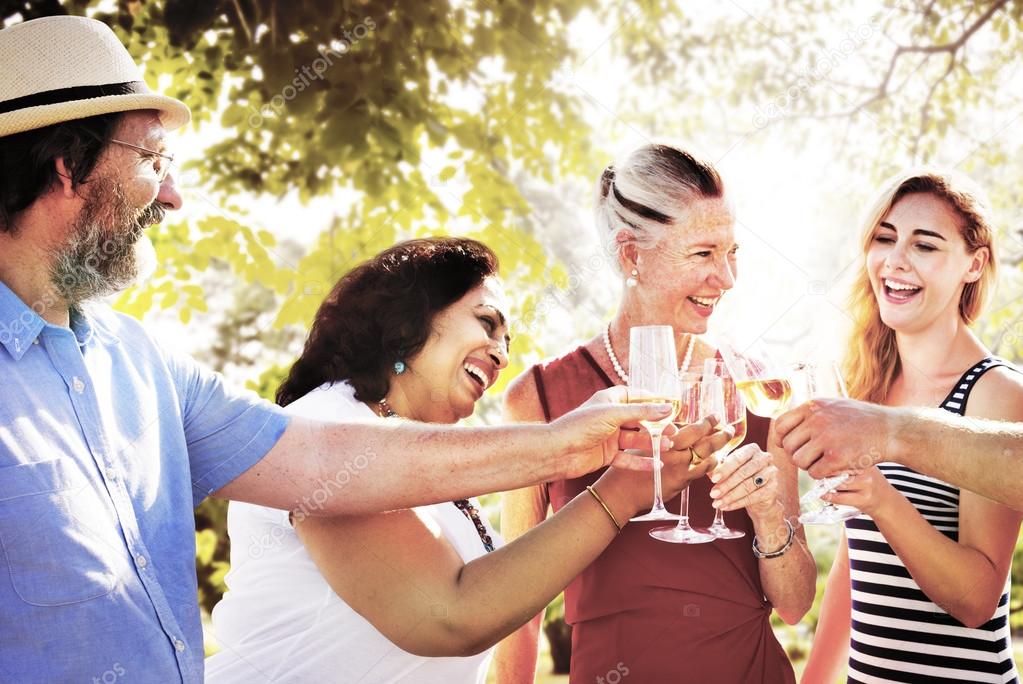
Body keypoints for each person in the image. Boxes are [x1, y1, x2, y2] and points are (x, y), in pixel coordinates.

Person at [0, 17, 691, 683]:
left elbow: (321, 459)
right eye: (154, 161)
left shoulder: (140, 360)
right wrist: (606, 478)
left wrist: (574, 446)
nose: (174, 195)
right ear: (69, 166)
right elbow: (446, 612)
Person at [205, 237, 731, 682]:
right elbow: (448, 617)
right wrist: (616, 491)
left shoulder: (432, 467)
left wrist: (626, 481)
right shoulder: (327, 423)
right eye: (486, 323)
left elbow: (489, 595)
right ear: (409, 320)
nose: (502, 353)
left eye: (507, 340)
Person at [494, 143, 816, 684]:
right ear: (631, 255)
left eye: (732, 251)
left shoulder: (758, 387)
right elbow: (515, 605)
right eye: (703, 254)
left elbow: (796, 603)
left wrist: (767, 515)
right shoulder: (541, 397)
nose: (726, 278)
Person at [802, 168, 1023, 683]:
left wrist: (881, 497)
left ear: (974, 264)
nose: (895, 260)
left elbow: (975, 600)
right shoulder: (869, 384)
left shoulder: (996, 393)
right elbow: (856, 563)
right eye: (885, 238)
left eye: (924, 245)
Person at [776, 398, 1023, 511]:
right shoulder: (875, 378)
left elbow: (979, 596)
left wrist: (889, 431)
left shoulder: (996, 390)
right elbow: (852, 563)